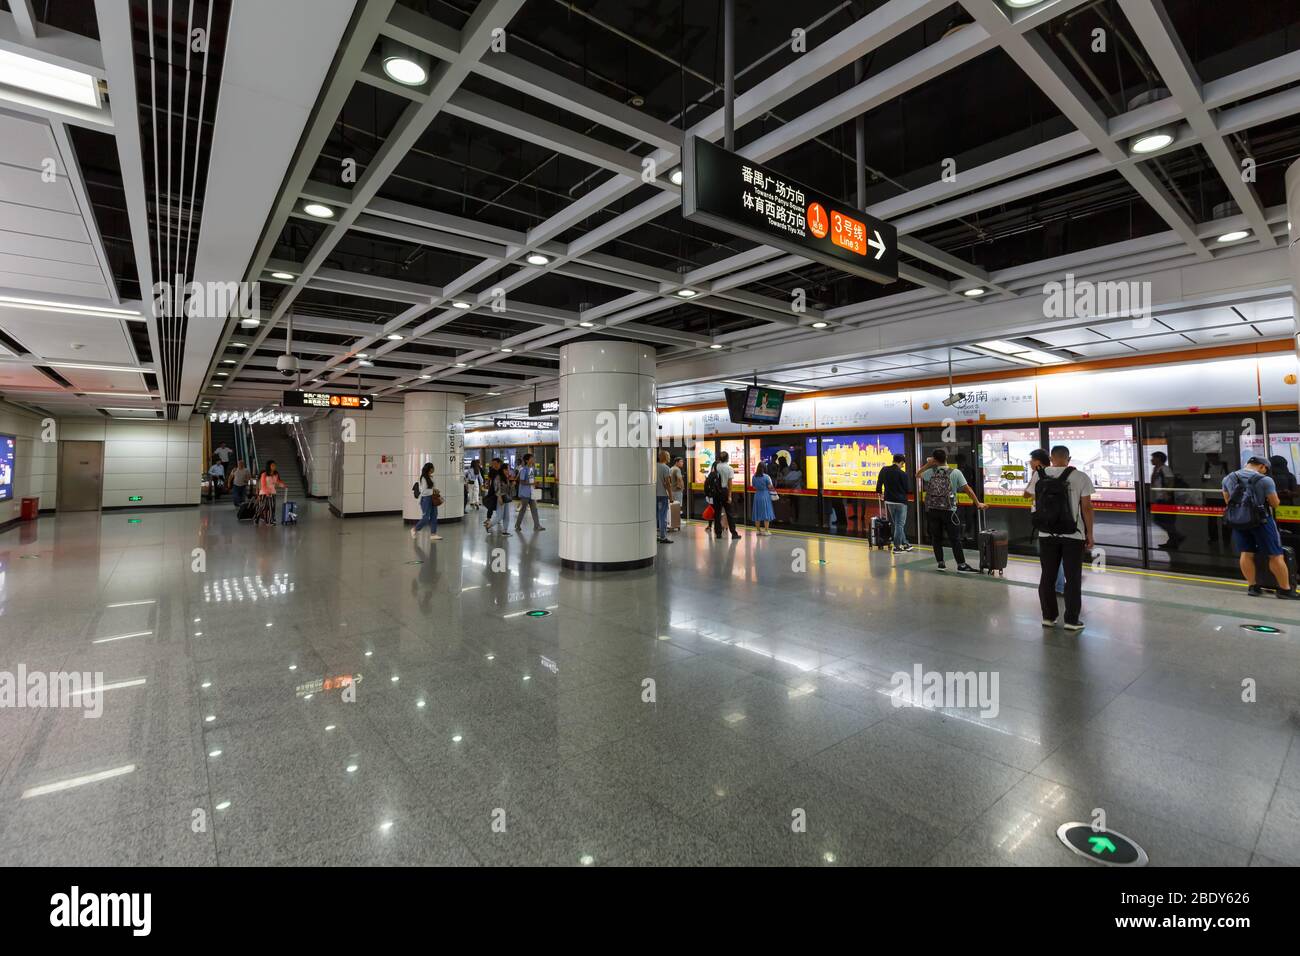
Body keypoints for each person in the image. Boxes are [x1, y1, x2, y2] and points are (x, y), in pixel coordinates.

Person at [1033, 445, 1095, 630]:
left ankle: (1048, 617)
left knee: (1048, 576)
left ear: (1051, 458)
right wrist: (1090, 534)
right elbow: (1087, 508)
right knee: (1072, 577)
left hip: (1046, 533)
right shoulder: (1080, 476)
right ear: (1068, 458)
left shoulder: (1039, 475)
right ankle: (1071, 620)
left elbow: (1034, 501)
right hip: (1073, 535)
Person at [1222, 456, 1297, 599]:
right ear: (1262, 467)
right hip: (1261, 521)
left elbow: (1228, 501)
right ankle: (1285, 590)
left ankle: (1253, 587)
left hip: (1238, 521)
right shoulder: (1265, 480)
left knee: (1246, 553)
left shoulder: (1228, 478)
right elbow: (1275, 504)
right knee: (1275, 555)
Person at [917, 448, 986, 571]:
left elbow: (917, 474)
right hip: (950, 511)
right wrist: (977, 503)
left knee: (936, 538)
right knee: (955, 539)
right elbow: (968, 489)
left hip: (933, 510)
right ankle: (961, 564)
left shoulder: (931, 472)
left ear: (934, 460)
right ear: (946, 458)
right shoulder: (955, 472)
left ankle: (941, 563)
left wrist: (928, 464)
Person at [1024, 448, 1065, 596]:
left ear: (1037, 462)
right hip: (1061, 517)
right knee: (1060, 553)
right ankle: (1060, 584)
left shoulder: (1039, 474)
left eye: (1031, 460)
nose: (1029, 462)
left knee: (1048, 555)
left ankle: (1057, 586)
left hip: (1044, 520)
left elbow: (1026, 494)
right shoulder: (1058, 472)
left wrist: (1033, 476)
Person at [875, 452, 912, 552]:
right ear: (900, 462)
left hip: (889, 501)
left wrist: (879, 492)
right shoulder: (902, 474)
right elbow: (907, 489)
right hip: (901, 502)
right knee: (899, 524)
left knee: (897, 524)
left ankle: (906, 543)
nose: (903, 465)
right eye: (903, 464)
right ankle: (897, 546)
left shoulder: (884, 470)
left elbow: (879, 482)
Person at [1148, 451, 1185, 550]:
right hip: (1160, 498)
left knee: (1163, 520)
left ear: (1159, 459)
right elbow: (1154, 484)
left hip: (1166, 500)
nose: (1151, 460)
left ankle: (1176, 537)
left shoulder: (1165, 469)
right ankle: (1174, 539)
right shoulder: (1157, 469)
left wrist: (1167, 494)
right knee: (1164, 520)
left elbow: (1171, 481)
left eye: (1153, 457)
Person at [712, 450, 741, 540]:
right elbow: (730, 483)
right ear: (727, 458)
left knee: (717, 513)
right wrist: (729, 495)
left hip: (716, 492)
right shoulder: (729, 468)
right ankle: (734, 533)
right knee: (729, 513)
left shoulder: (715, 467)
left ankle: (718, 533)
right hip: (724, 491)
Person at [514, 453, 545, 531]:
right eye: (532, 458)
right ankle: (517, 525)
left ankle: (537, 526)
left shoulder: (532, 469)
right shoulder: (524, 470)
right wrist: (532, 483)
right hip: (525, 493)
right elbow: (521, 481)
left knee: (534, 509)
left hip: (531, 492)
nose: (533, 459)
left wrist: (535, 483)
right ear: (527, 460)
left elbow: (531, 480)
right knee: (523, 509)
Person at [411, 461, 442, 540]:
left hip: (432, 498)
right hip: (426, 499)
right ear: (429, 469)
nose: (433, 470)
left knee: (434, 516)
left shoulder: (431, 477)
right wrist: (433, 491)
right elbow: (423, 491)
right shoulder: (423, 478)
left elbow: (431, 488)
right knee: (425, 518)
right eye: (432, 468)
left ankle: (433, 534)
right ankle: (414, 529)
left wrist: (435, 490)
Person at [255, 459, 287, 526]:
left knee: (271, 507)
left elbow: (277, 482)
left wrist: (283, 485)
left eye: (275, 465)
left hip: (273, 493)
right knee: (262, 507)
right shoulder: (264, 474)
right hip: (264, 493)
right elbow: (263, 485)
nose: (274, 466)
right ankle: (256, 517)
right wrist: (267, 493)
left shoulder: (276, 474)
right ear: (269, 466)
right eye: (272, 465)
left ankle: (270, 521)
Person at [488, 460, 513, 535]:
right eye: (506, 469)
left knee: (506, 516)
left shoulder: (506, 477)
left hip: (506, 498)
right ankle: (489, 525)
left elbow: (507, 488)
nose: (508, 471)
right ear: (502, 470)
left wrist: (512, 485)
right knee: (499, 516)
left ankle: (505, 530)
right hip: (501, 498)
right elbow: (497, 488)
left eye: (508, 469)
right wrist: (499, 497)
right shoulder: (498, 477)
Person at [751, 461, 775, 535]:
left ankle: (758, 530)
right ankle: (766, 530)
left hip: (757, 495)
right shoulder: (766, 477)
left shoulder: (754, 476)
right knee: (766, 512)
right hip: (765, 495)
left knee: (757, 512)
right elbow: (770, 486)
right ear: (765, 468)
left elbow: (754, 486)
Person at [655, 450, 673, 544]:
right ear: (665, 457)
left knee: (655, 516)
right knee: (663, 516)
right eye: (668, 455)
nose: (669, 457)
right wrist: (671, 496)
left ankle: (655, 535)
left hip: (653, 495)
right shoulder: (666, 468)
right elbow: (668, 484)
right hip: (662, 495)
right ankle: (663, 537)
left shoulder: (653, 466)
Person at [668, 456, 685, 532]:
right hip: (677, 490)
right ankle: (679, 519)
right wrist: (681, 487)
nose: (682, 463)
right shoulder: (677, 469)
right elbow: (679, 478)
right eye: (681, 462)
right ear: (677, 462)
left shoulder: (671, 468)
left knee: (673, 505)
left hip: (672, 490)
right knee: (678, 505)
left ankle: (673, 519)